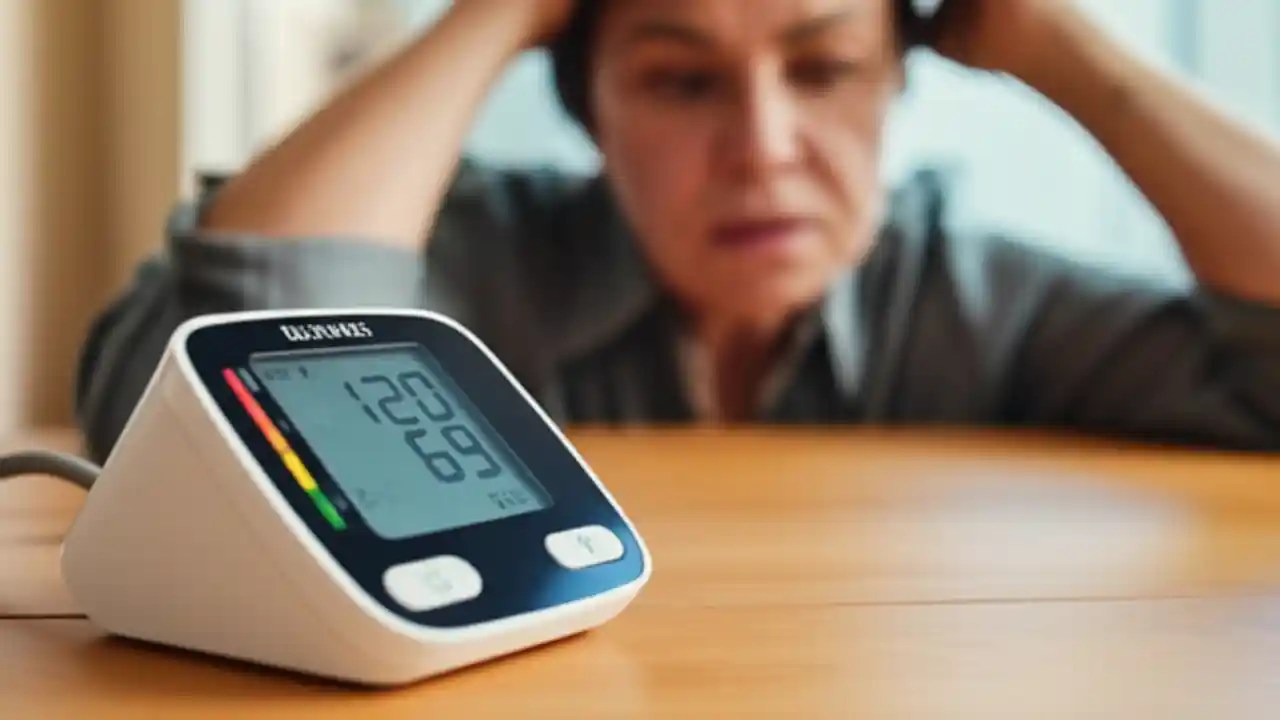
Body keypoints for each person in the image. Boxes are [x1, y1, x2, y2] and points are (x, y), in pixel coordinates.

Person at [77, 0, 1280, 463]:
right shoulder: (480, 270)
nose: (762, 147)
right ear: (588, 111)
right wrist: (499, 14)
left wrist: (1060, 48)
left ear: (897, 85)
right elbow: (178, 409)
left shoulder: (979, 301)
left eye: (820, 69)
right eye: (680, 83)